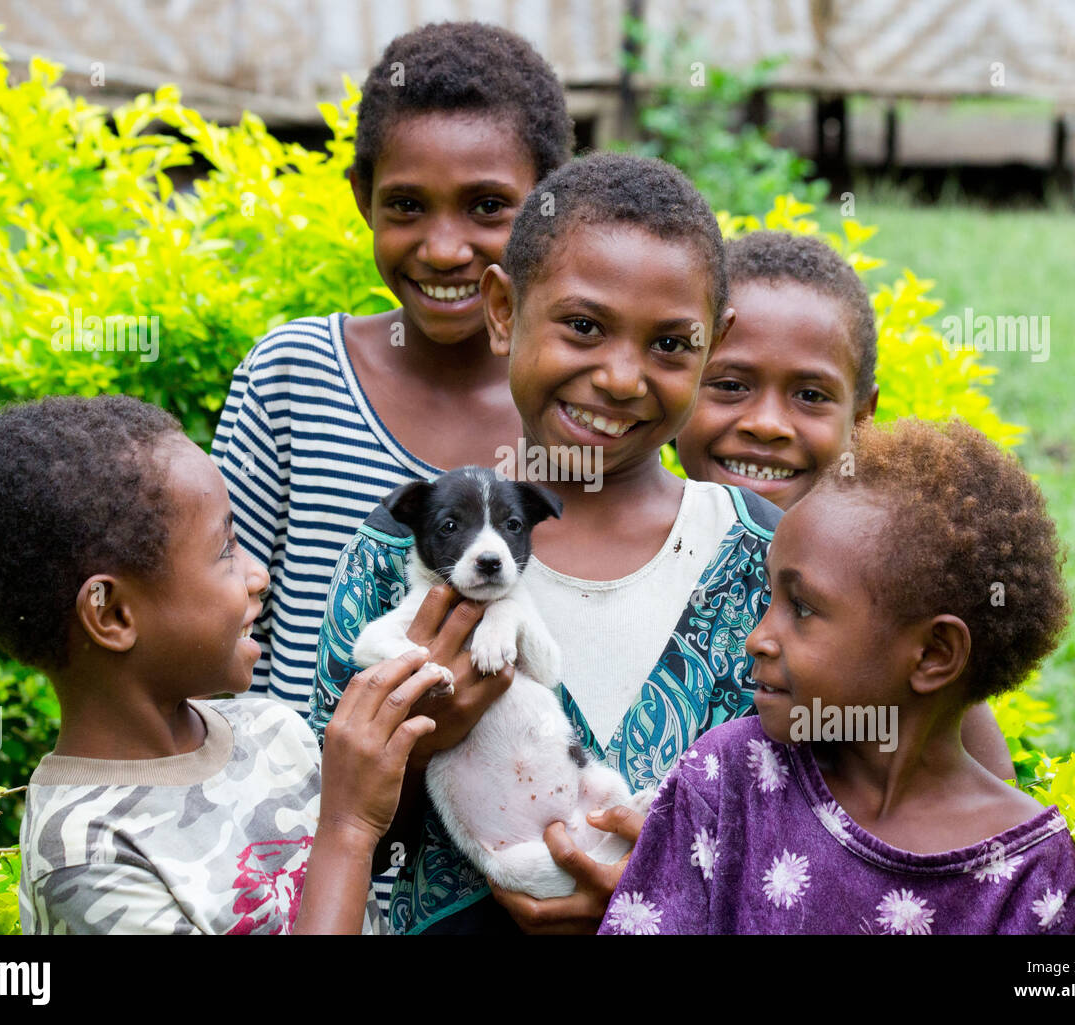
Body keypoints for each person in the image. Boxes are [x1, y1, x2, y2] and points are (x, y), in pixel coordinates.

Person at [312, 152, 784, 934]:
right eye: (583, 326)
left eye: (672, 344)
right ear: (503, 310)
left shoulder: (763, 561)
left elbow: (808, 827)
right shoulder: (400, 548)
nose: (624, 377)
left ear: (715, 344)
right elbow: (328, 819)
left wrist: (662, 894)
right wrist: (425, 739)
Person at [0, 395, 446, 934]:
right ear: (111, 614)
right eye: (226, 549)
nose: (258, 576)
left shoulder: (272, 730)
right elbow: (348, 839)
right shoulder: (86, 856)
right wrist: (346, 827)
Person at [600, 418, 1075, 934]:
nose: (758, 638)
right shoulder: (728, 779)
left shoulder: (1031, 872)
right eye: (770, 598)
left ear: (933, 655)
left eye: (803, 608)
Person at [209, 22, 573, 711]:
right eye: (406, 206)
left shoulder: (576, 414)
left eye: (488, 206)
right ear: (361, 197)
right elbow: (219, 618)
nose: (442, 249)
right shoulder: (292, 377)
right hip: (299, 810)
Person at [675, 229, 1012, 777]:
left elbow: (986, 815)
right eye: (731, 384)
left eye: (810, 395)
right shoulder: (642, 553)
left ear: (861, 419)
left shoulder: (893, 589)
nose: (766, 424)